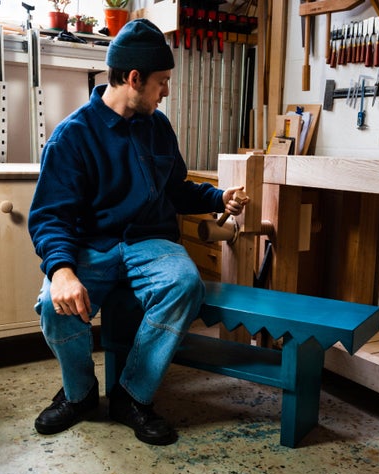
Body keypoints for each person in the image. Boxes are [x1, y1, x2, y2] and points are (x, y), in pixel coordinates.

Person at [28, 18, 248, 446]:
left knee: (185, 284)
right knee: (52, 306)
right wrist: (61, 271)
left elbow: (174, 189)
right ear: (134, 78)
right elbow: (50, 216)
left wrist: (217, 198)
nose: (166, 91)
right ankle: (80, 395)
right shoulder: (72, 137)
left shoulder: (158, 127)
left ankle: (132, 395)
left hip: (150, 243)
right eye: (162, 82)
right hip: (94, 245)